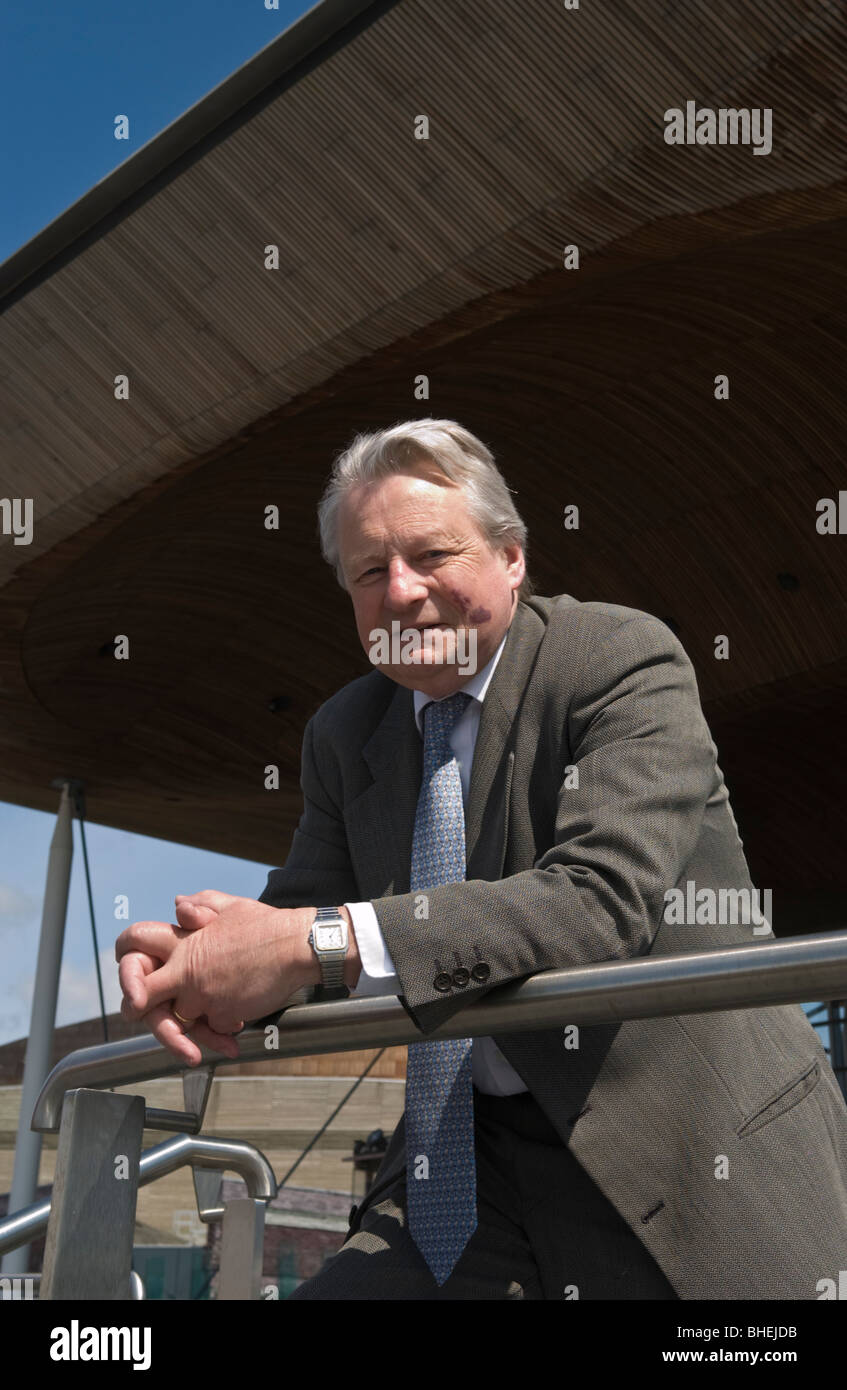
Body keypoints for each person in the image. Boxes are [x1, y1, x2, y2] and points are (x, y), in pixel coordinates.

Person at [116, 418, 847, 1300]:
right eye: (366, 572)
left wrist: (311, 943)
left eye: (432, 555)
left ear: (510, 557)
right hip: (461, 1167)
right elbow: (297, 919)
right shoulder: (344, 734)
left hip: (683, 1150)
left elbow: (600, 901)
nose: (400, 592)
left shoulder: (618, 658)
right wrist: (188, 960)